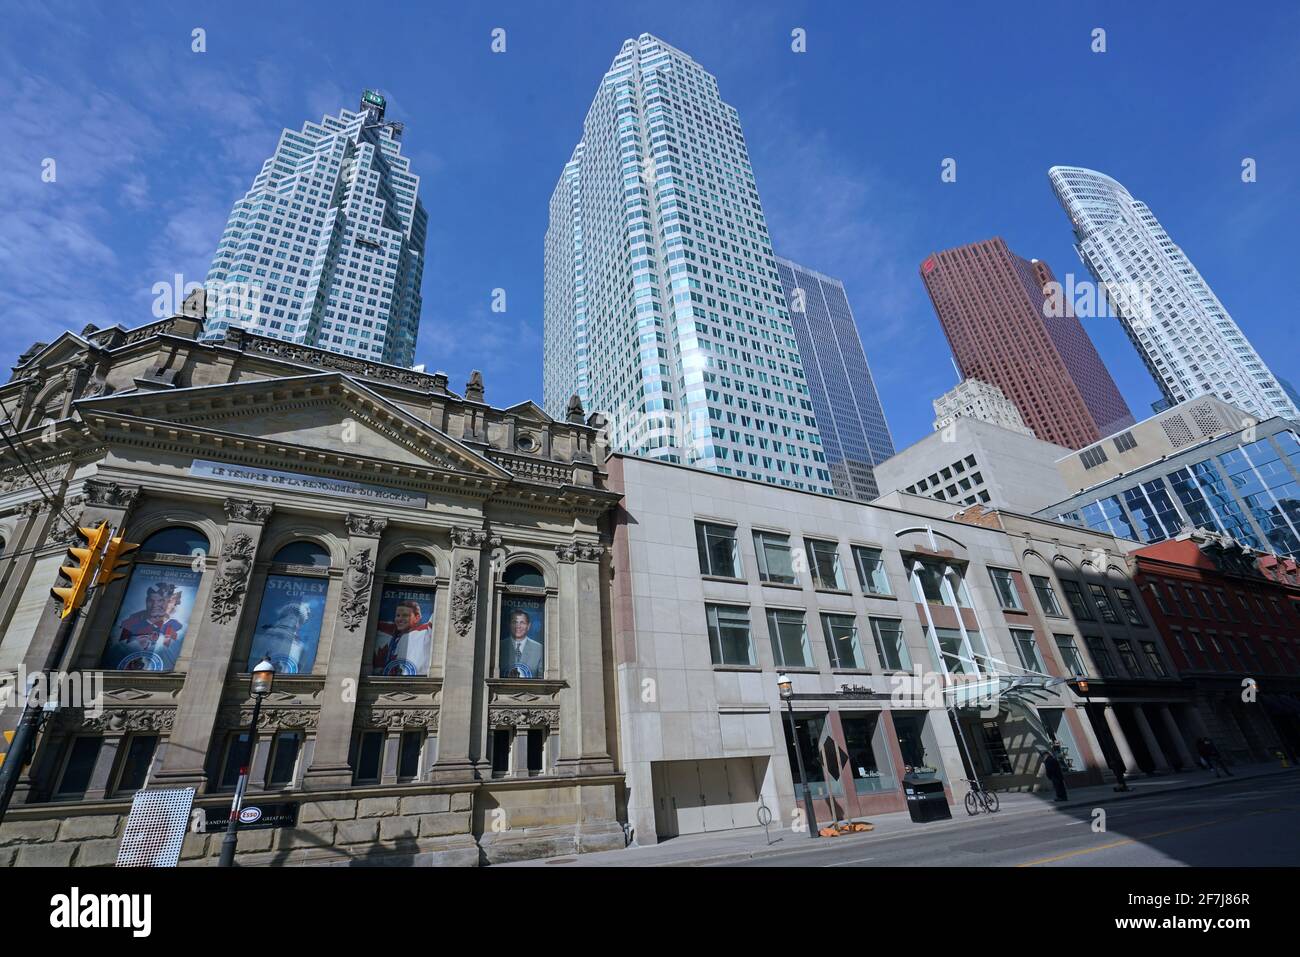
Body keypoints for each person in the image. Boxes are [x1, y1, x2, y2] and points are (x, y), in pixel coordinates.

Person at [108, 581, 186, 671]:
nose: (155, 605)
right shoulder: (129, 622)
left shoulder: (180, 628)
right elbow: (114, 649)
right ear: (146, 601)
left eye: (161, 600)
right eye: (151, 600)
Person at [373, 598, 433, 675]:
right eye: (398, 615)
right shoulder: (390, 635)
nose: (399, 619)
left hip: (416, 682)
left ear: (417, 617)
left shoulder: (425, 631)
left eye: (405, 615)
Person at [500, 609, 544, 678]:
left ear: (528, 626)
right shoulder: (500, 646)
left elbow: (541, 677)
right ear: (509, 625)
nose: (518, 626)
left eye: (522, 623)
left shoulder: (538, 648)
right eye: (514, 622)